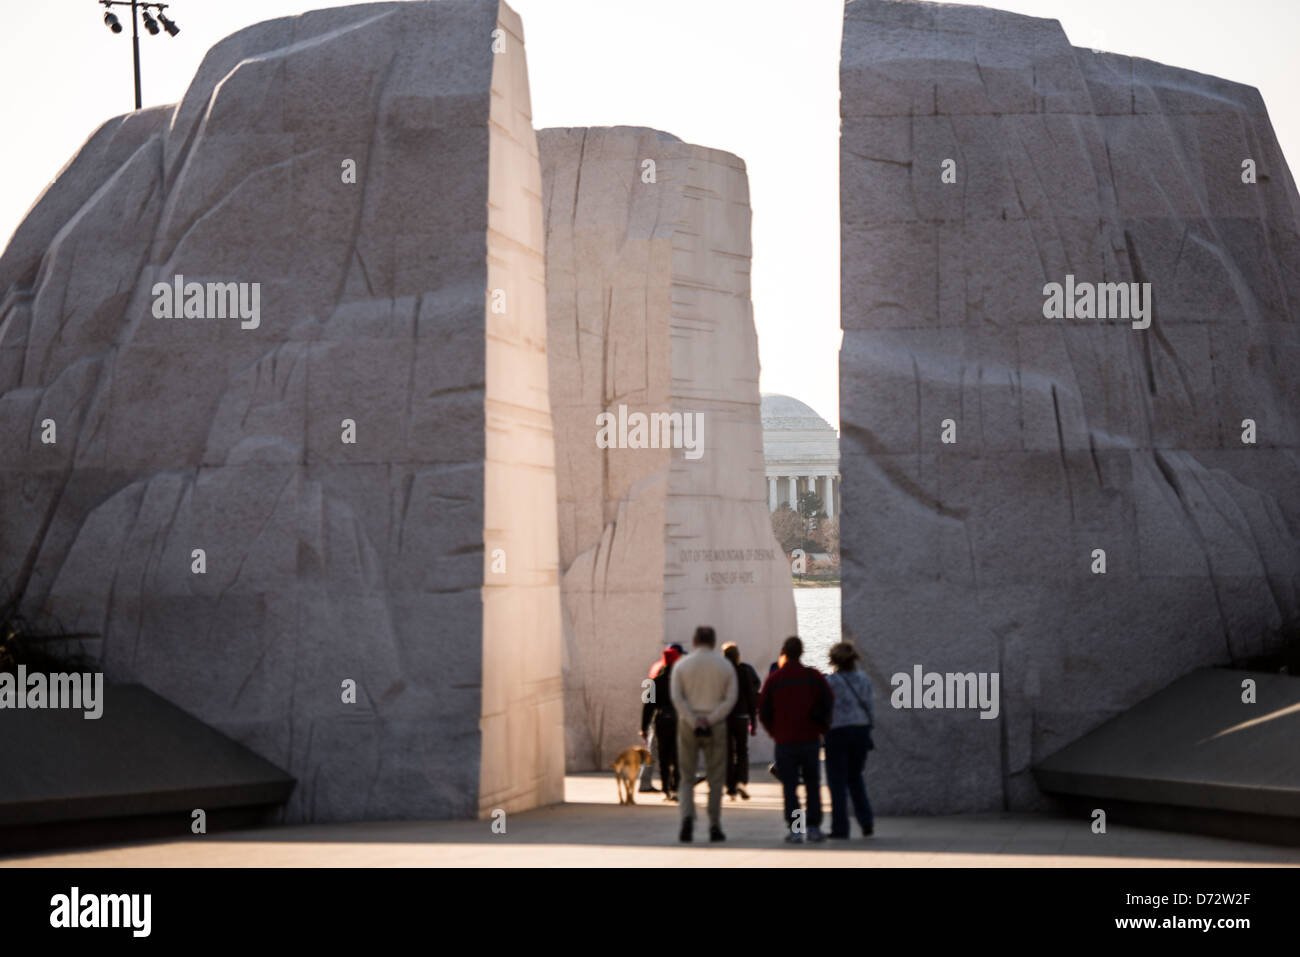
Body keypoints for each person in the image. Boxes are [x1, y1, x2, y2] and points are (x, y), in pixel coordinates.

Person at [758, 636, 833, 843]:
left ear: (784, 653)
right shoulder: (814, 676)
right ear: (801, 652)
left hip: (785, 743)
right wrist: (821, 729)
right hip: (810, 740)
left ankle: (796, 829)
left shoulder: (774, 680)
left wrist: (775, 732)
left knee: (790, 788)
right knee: (812, 786)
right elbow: (829, 703)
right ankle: (814, 828)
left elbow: (763, 711)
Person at [670, 626, 738, 843]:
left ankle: (687, 819)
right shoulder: (725, 666)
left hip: (688, 724)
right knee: (716, 778)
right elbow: (730, 699)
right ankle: (715, 825)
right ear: (713, 641)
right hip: (715, 723)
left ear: (694, 640)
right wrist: (710, 719)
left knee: (686, 777)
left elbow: (677, 697)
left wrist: (692, 719)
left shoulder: (682, 665)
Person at [824, 642, 875, 838]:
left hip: (837, 731)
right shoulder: (864, 679)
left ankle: (840, 828)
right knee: (856, 777)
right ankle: (866, 821)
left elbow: (826, 709)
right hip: (860, 730)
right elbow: (870, 706)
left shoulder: (830, 682)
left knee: (837, 781)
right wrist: (869, 728)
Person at [639, 643, 684, 794]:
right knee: (676, 754)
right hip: (677, 719)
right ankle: (675, 786)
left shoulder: (655, 679)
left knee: (663, 755)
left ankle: (665, 787)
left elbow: (647, 705)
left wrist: (643, 726)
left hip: (660, 719)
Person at [721, 642, 760, 800]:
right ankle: (741, 782)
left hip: (725, 717)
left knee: (727, 752)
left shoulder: (721, 673)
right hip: (741, 717)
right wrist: (753, 721)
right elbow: (751, 697)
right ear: (738, 656)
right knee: (742, 751)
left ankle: (730, 788)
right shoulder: (744, 671)